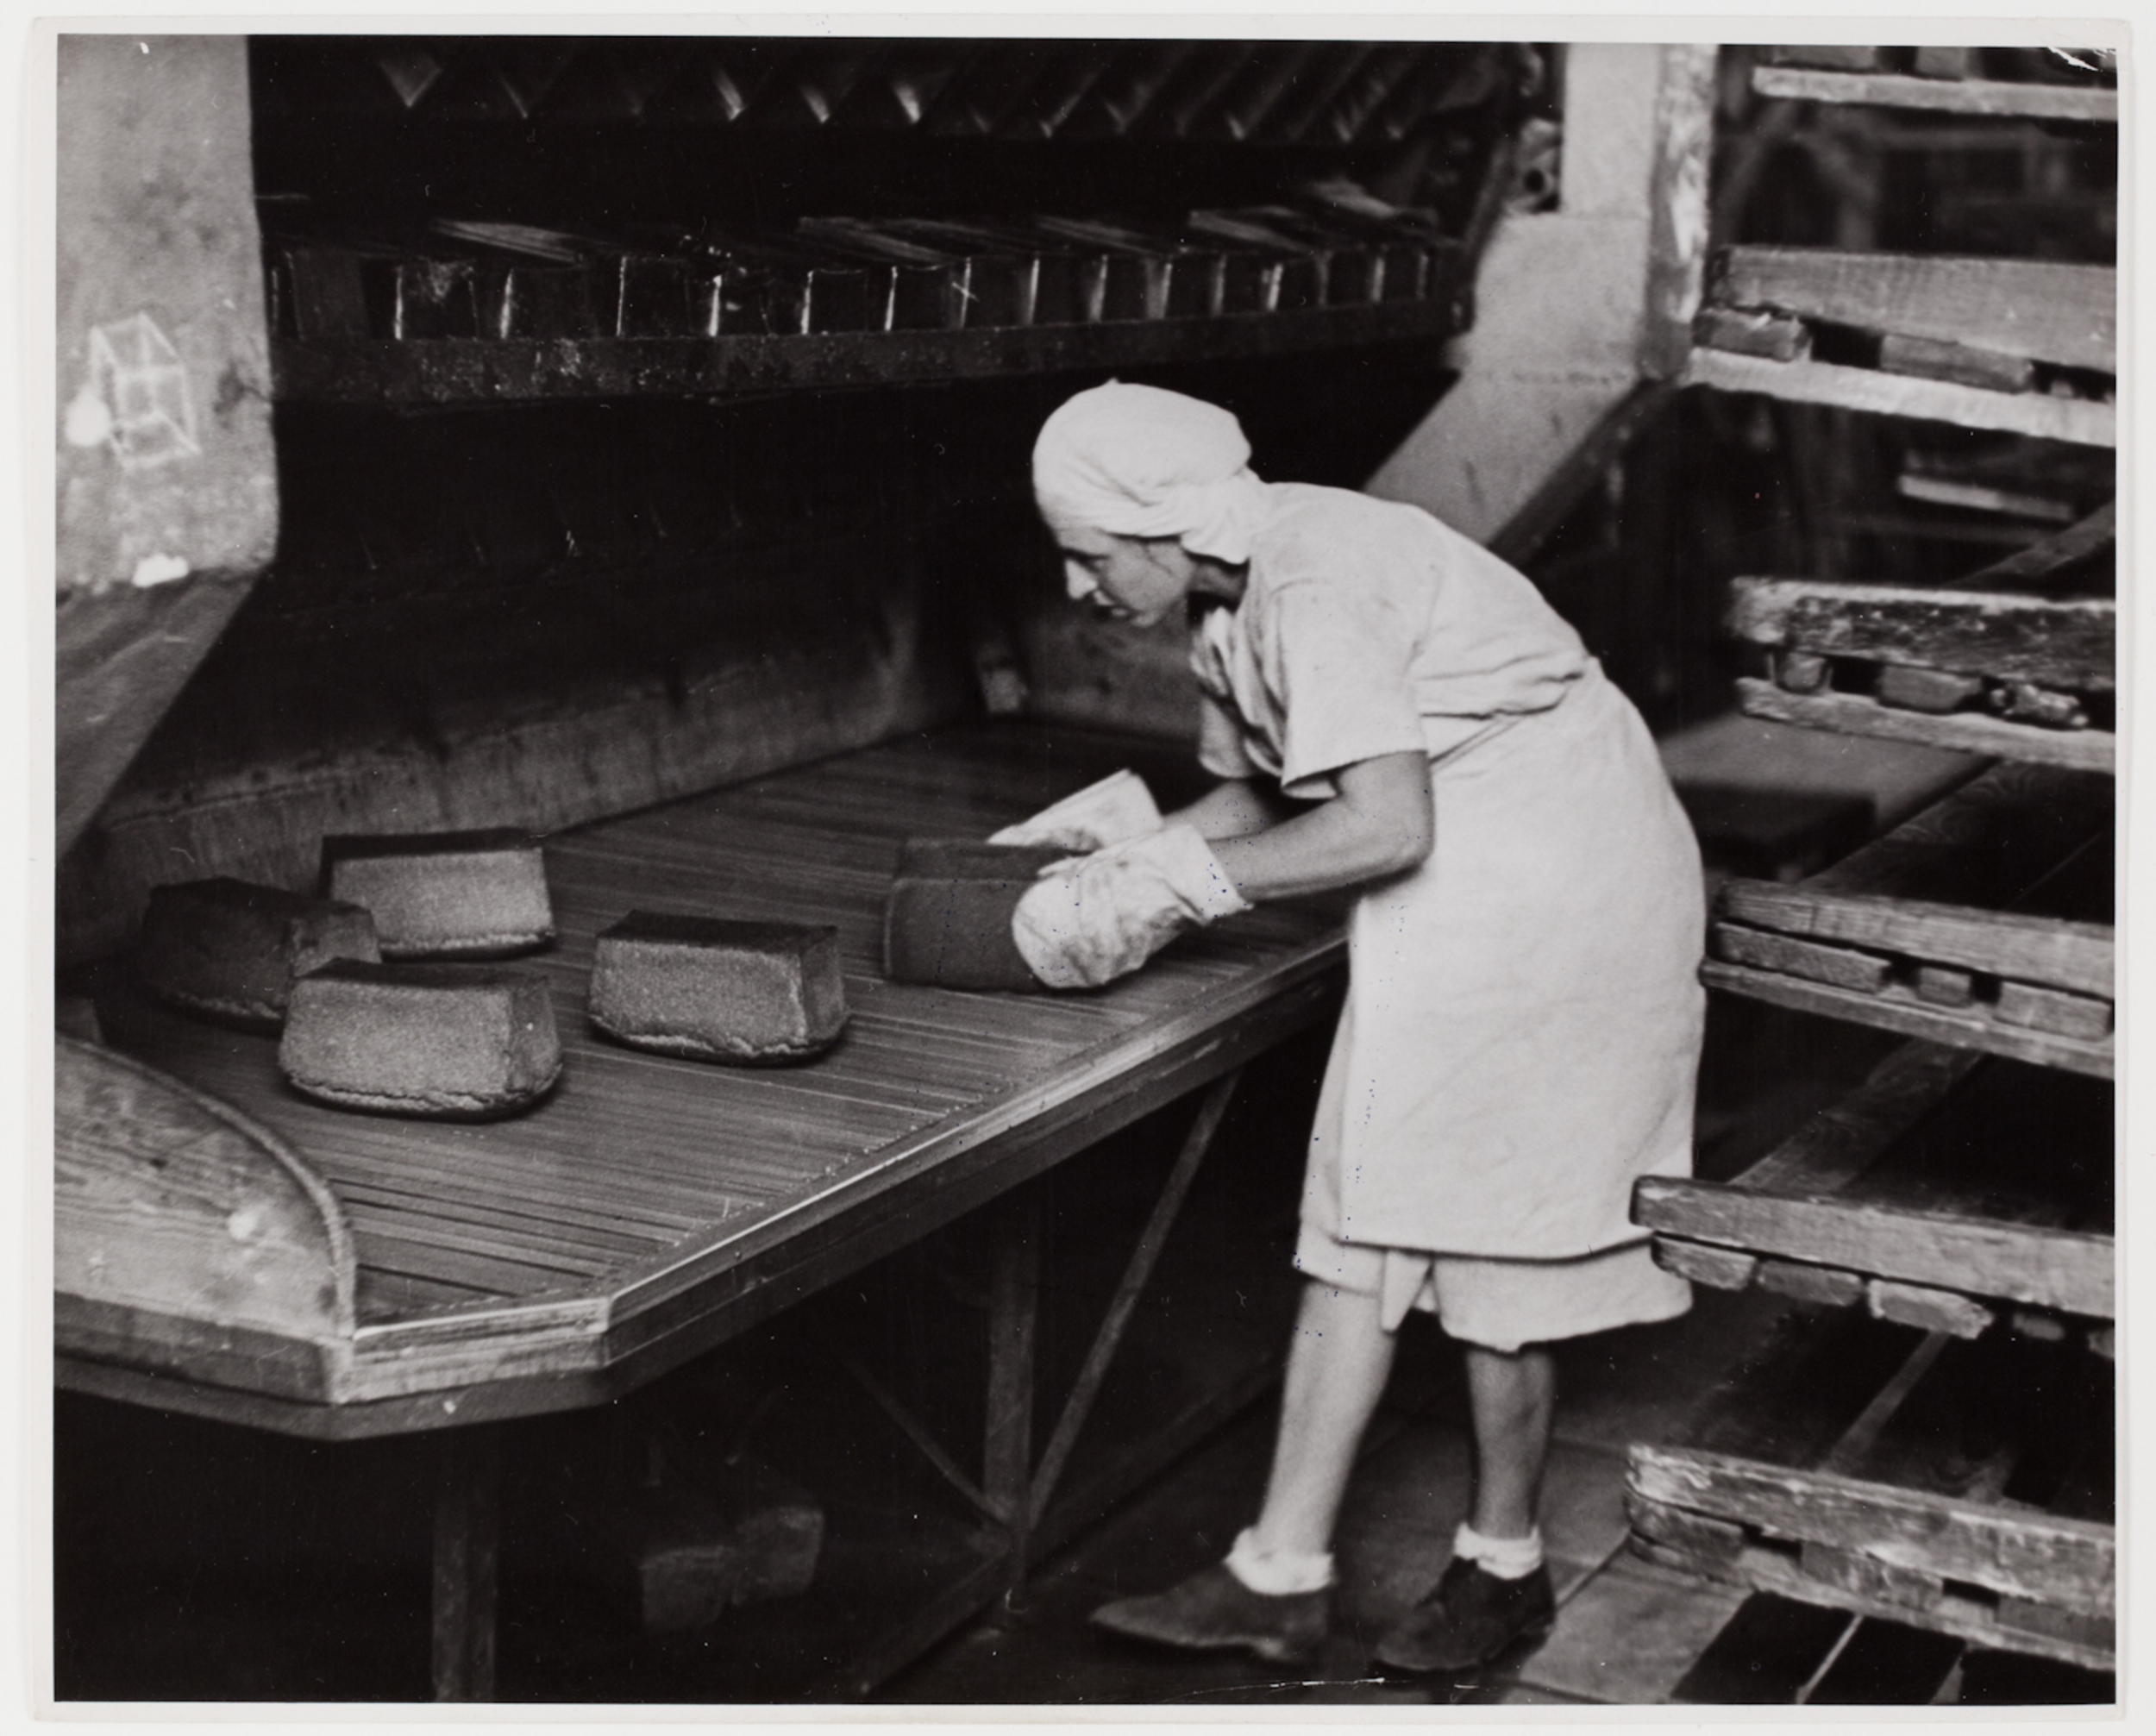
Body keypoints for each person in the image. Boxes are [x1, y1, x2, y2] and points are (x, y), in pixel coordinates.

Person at [1006, 381, 1706, 1675]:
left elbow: (1386, 825)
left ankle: (1505, 1567)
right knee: (1361, 1209)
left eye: (1092, 554)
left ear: (1165, 524)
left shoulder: (1314, 582)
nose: (1078, 582)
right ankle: (1280, 1572)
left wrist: (1180, 887)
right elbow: (1249, 803)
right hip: (1465, 873)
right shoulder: (1225, 606)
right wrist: (1124, 850)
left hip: (1560, 875)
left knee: (1495, 1243)